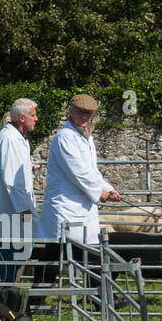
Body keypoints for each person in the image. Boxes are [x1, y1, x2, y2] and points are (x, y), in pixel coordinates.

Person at [36, 94, 120, 244]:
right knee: (62, 257)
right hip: (65, 208)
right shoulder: (65, 137)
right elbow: (78, 172)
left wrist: (109, 188)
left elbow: (92, 171)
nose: (84, 116)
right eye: (80, 111)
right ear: (71, 111)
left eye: (88, 113)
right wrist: (100, 192)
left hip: (83, 209)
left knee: (83, 256)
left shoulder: (86, 138)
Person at [0, 98, 39, 281]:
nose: (36, 119)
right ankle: (3, 305)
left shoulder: (17, 139)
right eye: (33, 115)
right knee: (8, 265)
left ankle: (5, 303)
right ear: (21, 118)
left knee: (13, 262)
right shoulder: (9, 139)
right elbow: (11, 180)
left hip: (12, 213)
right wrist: (25, 210)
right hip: (12, 214)